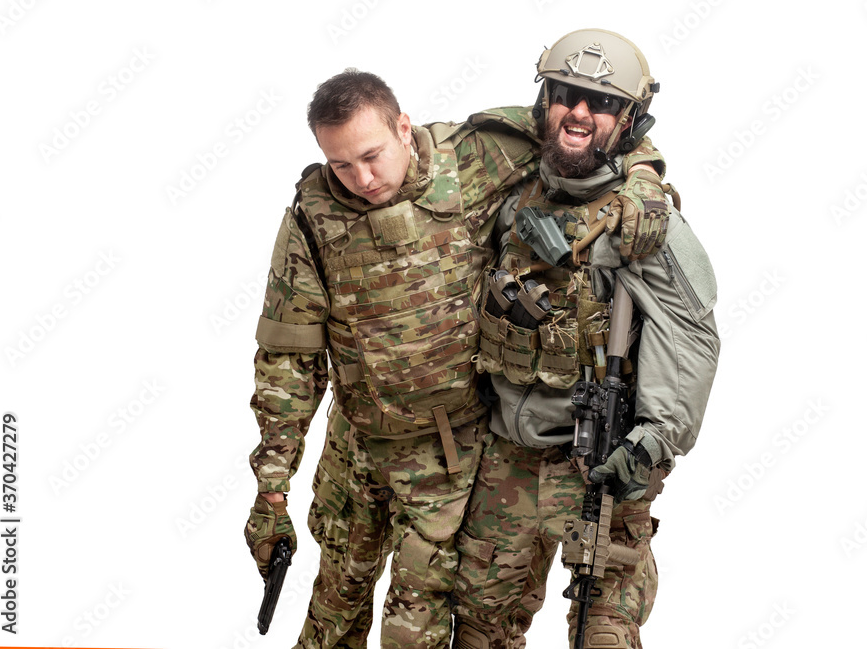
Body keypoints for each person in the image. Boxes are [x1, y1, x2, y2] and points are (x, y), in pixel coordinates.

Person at [243, 67, 669, 649]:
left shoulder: (474, 156)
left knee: (416, 627)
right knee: (335, 604)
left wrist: (644, 177)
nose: (362, 179)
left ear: (403, 126)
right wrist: (271, 490)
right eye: (340, 165)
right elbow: (287, 362)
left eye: (372, 156)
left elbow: (584, 131)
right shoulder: (311, 214)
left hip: (449, 452)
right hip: (357, 442)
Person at [451, 29, 721, 649]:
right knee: (478, 630)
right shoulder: (509, 184)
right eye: (564, 94)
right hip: (505, 456)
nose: (578, 112)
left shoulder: (644, 222)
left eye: (601, 103)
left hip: (597, 461)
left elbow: (691, 337)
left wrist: (652, 441)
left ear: (629, 119)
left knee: (603, 635)